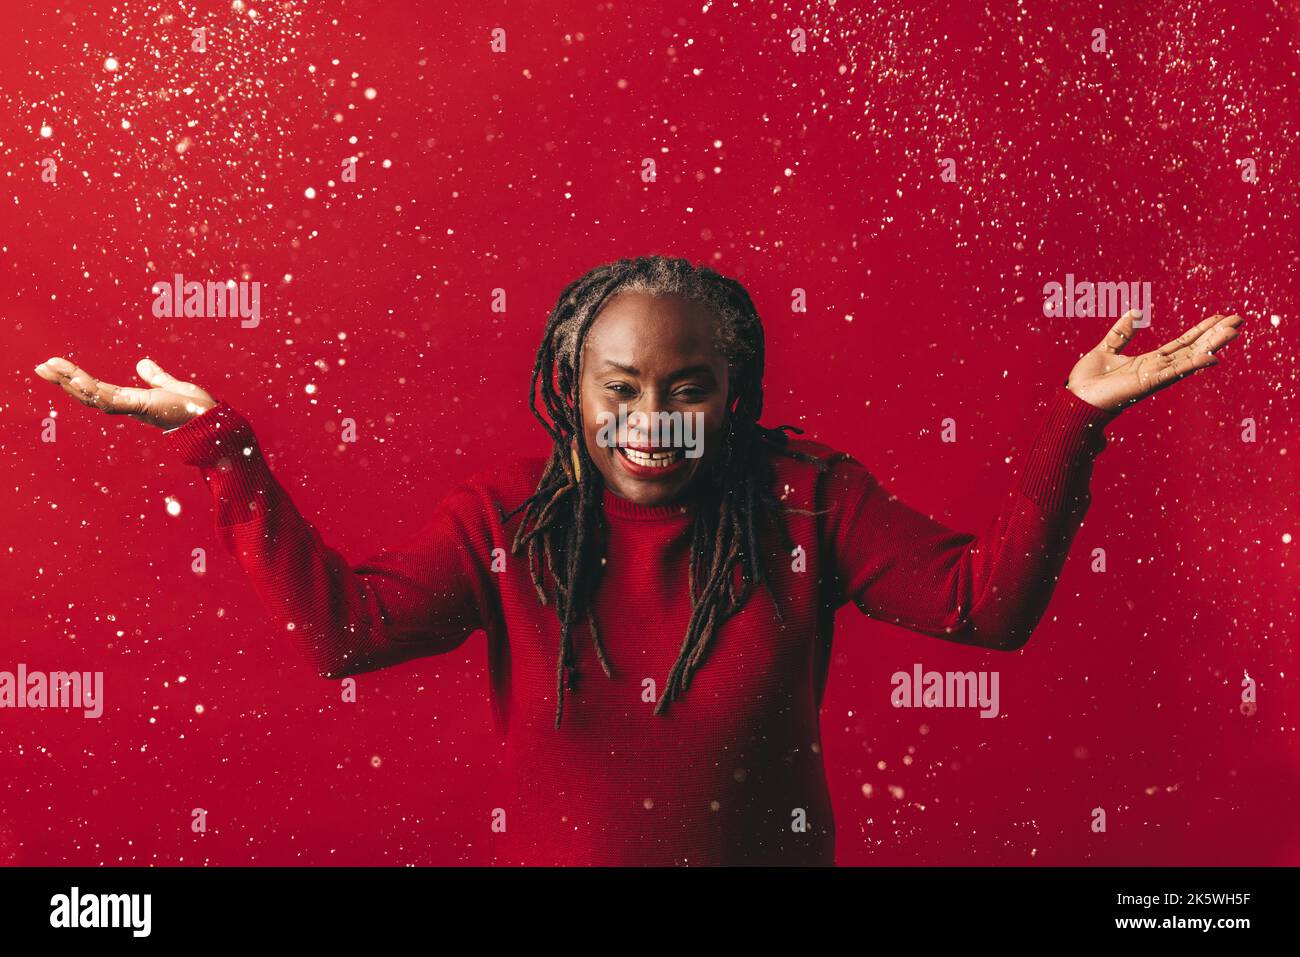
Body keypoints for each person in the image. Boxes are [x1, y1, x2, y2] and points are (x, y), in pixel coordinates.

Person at [33, 255, 1244, 865]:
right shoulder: (507, 515)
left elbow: (986, 609)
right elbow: (349, 629)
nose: (650, 419)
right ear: (570, 389)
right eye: (620, 389)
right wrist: (219, 447)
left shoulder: (805, 499)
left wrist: (1073, 420)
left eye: (688, 389)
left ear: (737, 395)